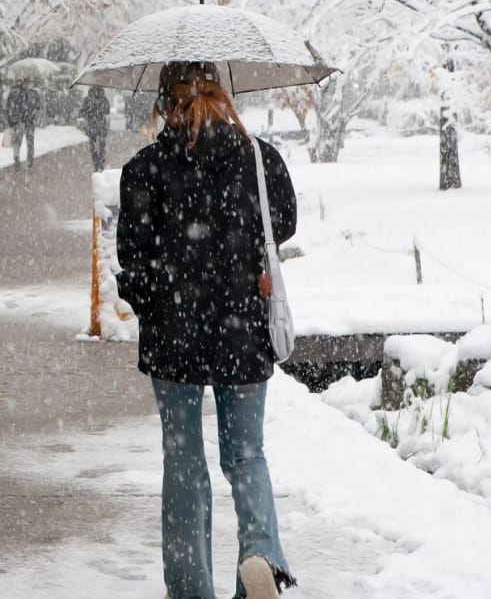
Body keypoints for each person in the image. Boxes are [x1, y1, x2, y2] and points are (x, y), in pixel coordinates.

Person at [115, 62, 298, 599]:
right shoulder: (260, 159)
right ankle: (260, 553)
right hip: (244, 332)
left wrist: (159, 301)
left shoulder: (145, 169)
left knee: (183, 459)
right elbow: (283, 224)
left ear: (162, 103)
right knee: (246, 454)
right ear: (224, 96)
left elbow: (132, 257)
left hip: (174, 337)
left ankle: (190, 587)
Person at [5, 80, 40, 168]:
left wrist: (11, 120)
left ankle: (17, 158)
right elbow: (37, 108)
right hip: (27, 121)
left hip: (20, 121)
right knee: (28, 141)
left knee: (19, 141)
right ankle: (28, 160)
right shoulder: (33, 93)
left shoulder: (15, 92)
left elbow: (9, 107)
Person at [79, 86, 112, 172]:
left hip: (92, 125)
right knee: (101, 145)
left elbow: (82, 112)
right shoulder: (104, 99)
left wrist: (89, 111)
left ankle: (96, 163)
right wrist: (99, 110)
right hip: (101, 125)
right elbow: (107, 111)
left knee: (93, 146)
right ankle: (100, 163)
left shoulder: (87, 99)